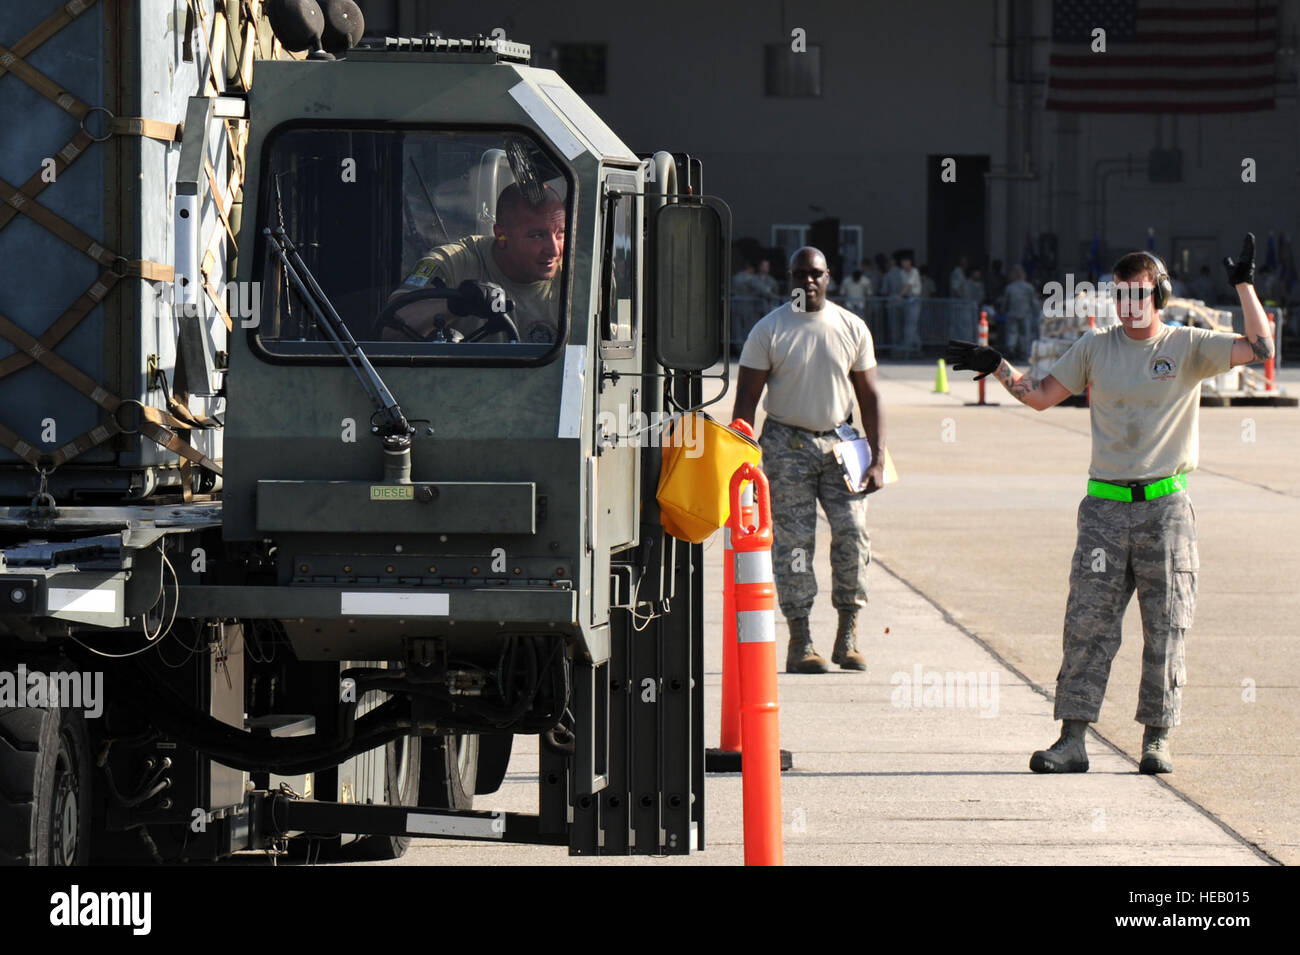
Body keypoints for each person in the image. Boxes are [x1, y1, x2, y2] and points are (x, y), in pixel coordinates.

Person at [944, 234, 1274, 775]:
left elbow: (1261, 350)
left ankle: (1156, 738)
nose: (1128, 305)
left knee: (1166, 625)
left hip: (1165, 509)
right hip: (1104, 509)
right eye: (1120, 295)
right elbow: (1039, 396)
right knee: (1087, 626)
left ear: (1159, 295)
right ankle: (1072, 740)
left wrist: (1243, 286)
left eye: (1138, 294)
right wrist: (998, 365)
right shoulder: (1096, 347)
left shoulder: (1188, 345)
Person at [733, 247, 886, 674]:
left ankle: (847, 635)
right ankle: (800, 640)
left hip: (840, 445)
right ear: (790, 278)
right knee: (795, 545)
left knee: (853, 533)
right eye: (800, 274)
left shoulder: (851, 327)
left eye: (816, 274)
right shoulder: (769, 330)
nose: (808, 281)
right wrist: (743, 465)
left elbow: (870, 396)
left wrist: (877, 458)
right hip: (787, 446)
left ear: (828, 277)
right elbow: (745, 402)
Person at [387, 183, 565, 343]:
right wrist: (454, 305)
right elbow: (388, 329)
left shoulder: (574, 277)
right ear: (501, 235)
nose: (554, 250)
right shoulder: (453, 264)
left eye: (561, 233)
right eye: (537, 236)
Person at [1000, 264, 1039, 360]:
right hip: (1025, 315)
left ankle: (1011, 350)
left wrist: (1002, 311)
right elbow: (1034, 303)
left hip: (1012, 314)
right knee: (1024, 335)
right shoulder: (1029, 287)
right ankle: (1024, 353)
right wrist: (1037, 314)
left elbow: (1005, 303)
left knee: (1012, 333)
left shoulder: (1010, 287)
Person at [893, 251, 923, 357]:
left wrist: (899, 296)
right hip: (906, 300)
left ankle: (911, 349)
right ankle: (916, 348)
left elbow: (908, 286)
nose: (905, 263)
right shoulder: (901, 272)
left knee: (911, 326)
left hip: (914, 300)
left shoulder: (914, 271)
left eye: (906, 261)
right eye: (903, 261)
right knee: (907, 326)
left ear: (910, 262)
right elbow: (903, 285)